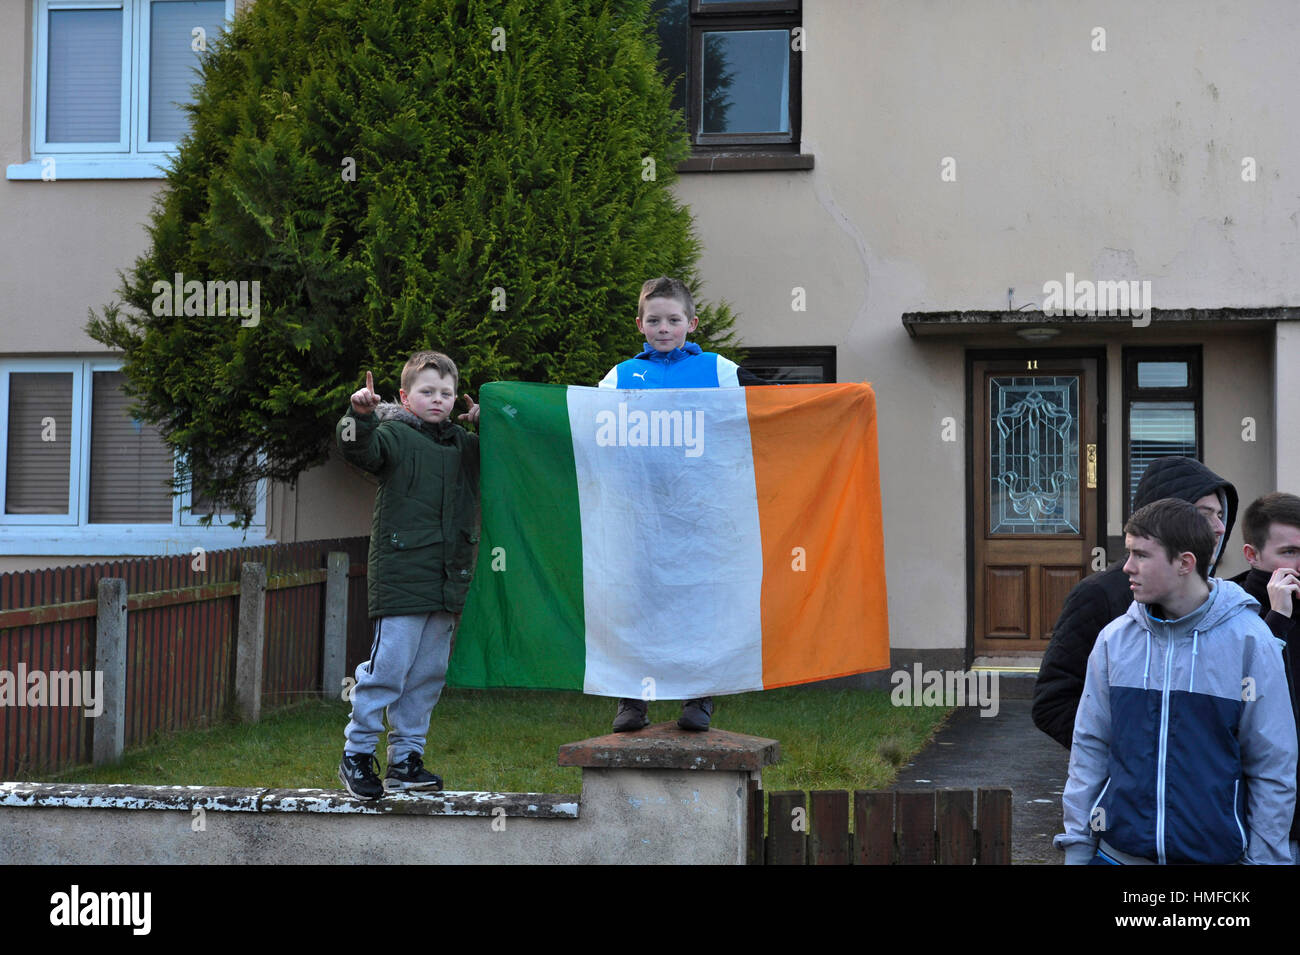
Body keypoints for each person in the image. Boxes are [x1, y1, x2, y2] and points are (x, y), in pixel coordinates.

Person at [1055, 497, 1296, 865]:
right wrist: (1077, 847)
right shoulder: (1114, 639)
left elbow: (1272, 766)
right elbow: (1090, 748)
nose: (1127, 568)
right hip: (1114, 857)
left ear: (1185, 563)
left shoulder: (1251, 640)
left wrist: (1265, 861)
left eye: (1141, 555)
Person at [598, 275, 767, 733]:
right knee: (636, 607)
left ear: (691, 322)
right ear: (639, 324)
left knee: (700, 606)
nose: (664, 328)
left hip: (701, 516)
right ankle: (632, 700)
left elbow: (777, 405)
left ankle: (698, 698)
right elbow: (580, 423)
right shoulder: (620, 376)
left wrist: (838, 402)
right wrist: (504, 412)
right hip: (639, 517)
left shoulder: (719, 370)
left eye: (673, 320)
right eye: (654, 320)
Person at [335, 352, 481, 799]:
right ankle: (357, 754)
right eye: (427, 391)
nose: (437, 400)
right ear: (404, 396)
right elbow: (356, 447)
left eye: (446, 393)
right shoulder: (392, 435)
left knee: (427, 676)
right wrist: (358, 416)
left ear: (456, 400)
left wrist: (488, 423)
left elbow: (506, 460)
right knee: (387, 670)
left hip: (445, 581)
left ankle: (405, 760)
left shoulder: (464, 445)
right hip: (401, 578)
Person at [1032, 456, 1238, 748]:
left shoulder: (1223, 601)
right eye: (1205, 514)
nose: (1219, 527)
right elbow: (1053, 702)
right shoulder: (1098, 596)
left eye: (1220, 514)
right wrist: (1130, 755)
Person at [1231, 492, 1300, 860]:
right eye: (1289, 552)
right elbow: (1240, 697)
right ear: (1252, 555)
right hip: (1262, 823)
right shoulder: (1230, 611)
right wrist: (1276, 621)